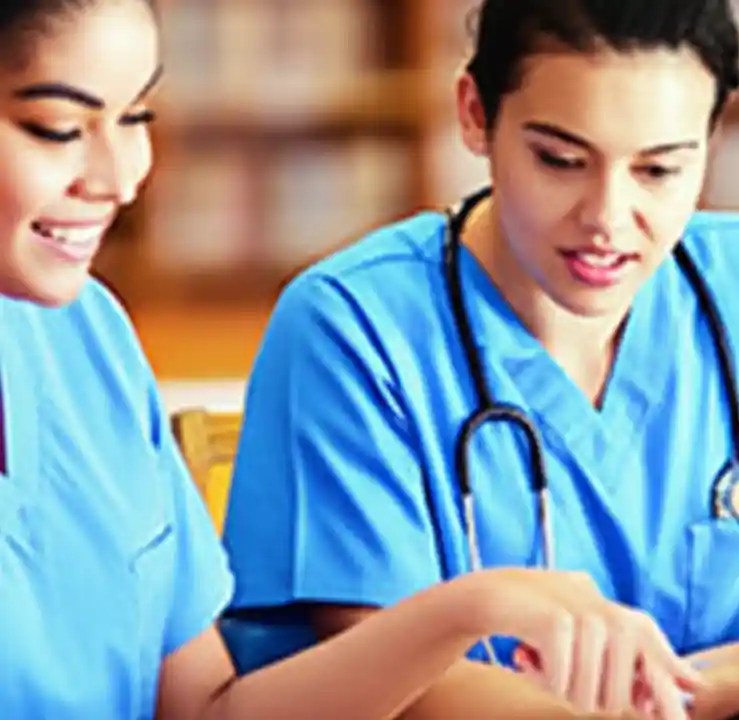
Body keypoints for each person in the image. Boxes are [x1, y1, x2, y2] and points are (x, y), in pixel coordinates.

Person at [219, 0, 739, 717]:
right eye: (561, 160)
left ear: (712, 140)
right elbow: (403, 687)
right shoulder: (356, 326)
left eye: (659, 171)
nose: (606, 218)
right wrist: (735, 679)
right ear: (476, 114)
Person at [0, 1, 700, 717]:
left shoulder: (87, 343)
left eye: (137, 117)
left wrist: (470, 608)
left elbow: (210, 712)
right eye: (57, 130)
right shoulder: (349, 321)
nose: (121, 178)